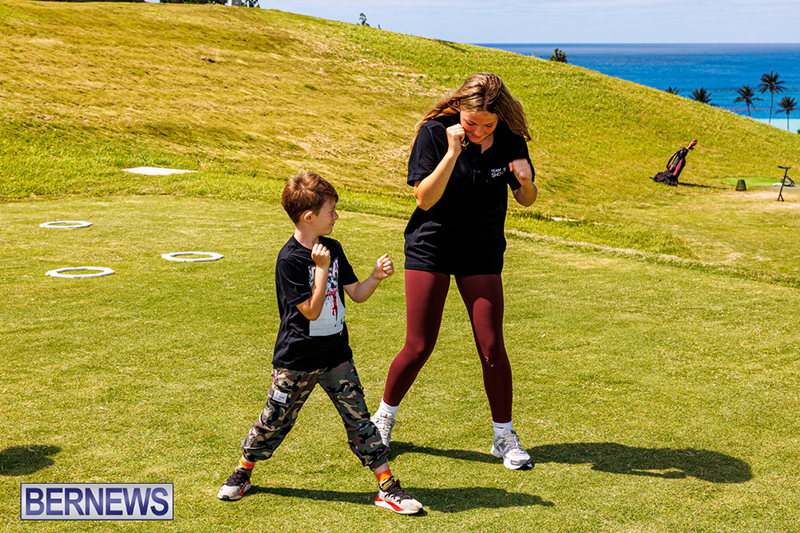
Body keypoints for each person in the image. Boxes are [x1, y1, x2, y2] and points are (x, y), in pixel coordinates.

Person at [218, 172, 423, 515]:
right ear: (309, 216)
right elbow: (311, 312)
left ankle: (387, 486)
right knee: (274, 419)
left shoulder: (334, 248)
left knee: (360, 421)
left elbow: (355, 295)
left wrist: (375, 276)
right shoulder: (289, 260)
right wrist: (322, 270)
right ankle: (243, 471)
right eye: (331, 210)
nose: (336, 216)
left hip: (336, 357)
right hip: (296, 359)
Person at [371, 73, 538, 470]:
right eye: (471, 122)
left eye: (487, 125)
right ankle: (381, 420)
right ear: (458, 110)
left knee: (492, 346)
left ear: (500, 118)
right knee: (419, 345)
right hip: (431, 247)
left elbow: (527, 200)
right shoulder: (433, 133)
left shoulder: (512, 141)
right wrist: (451, 151)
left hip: (481, 252)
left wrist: (526, 181)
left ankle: (504, 436)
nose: (478, 131)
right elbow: (424, 199)